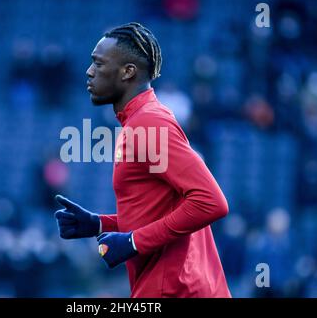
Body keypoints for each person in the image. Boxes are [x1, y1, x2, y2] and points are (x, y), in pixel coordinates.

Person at [54, 22, 231, 298]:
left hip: (174, 289)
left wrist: (134, 242)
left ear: (128, 72)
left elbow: (211, 202)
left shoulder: (148, 122)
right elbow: (161, 210)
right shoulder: (141, 120)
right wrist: (101, 224)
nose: (89, 72)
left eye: (98, 64)